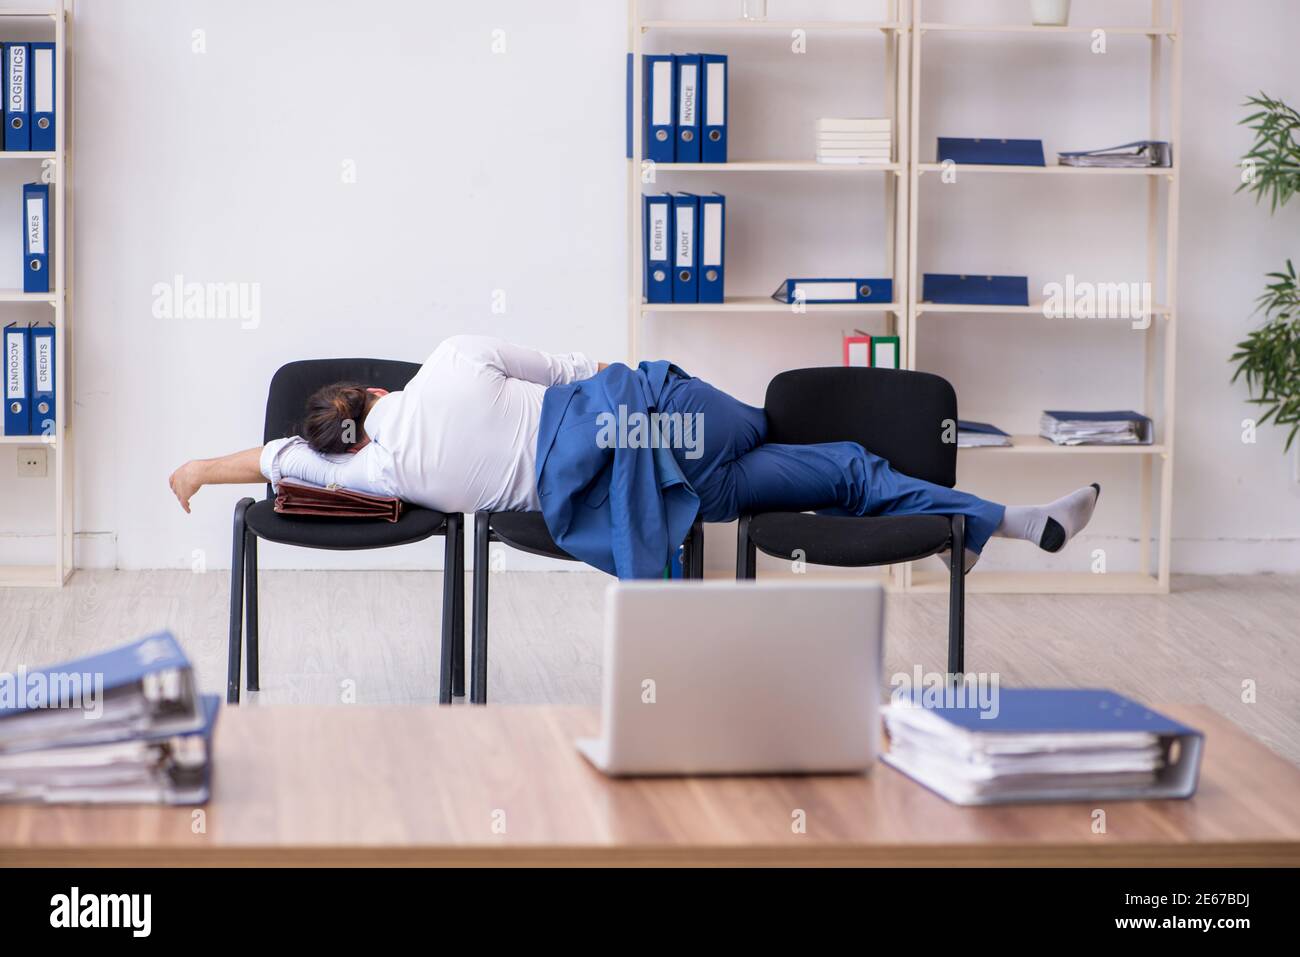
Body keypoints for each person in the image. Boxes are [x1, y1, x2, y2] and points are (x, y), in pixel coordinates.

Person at [169, 335, 1099, 578]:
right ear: (375, 393)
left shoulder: (374, 470)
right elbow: (584, 366)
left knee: (828, 461)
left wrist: (199, 471)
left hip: (648, 501)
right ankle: (990, 520)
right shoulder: (449, 362)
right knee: (774, 431)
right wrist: (630, 387)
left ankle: (998, 523)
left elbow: (280, 461)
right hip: (646, 430)